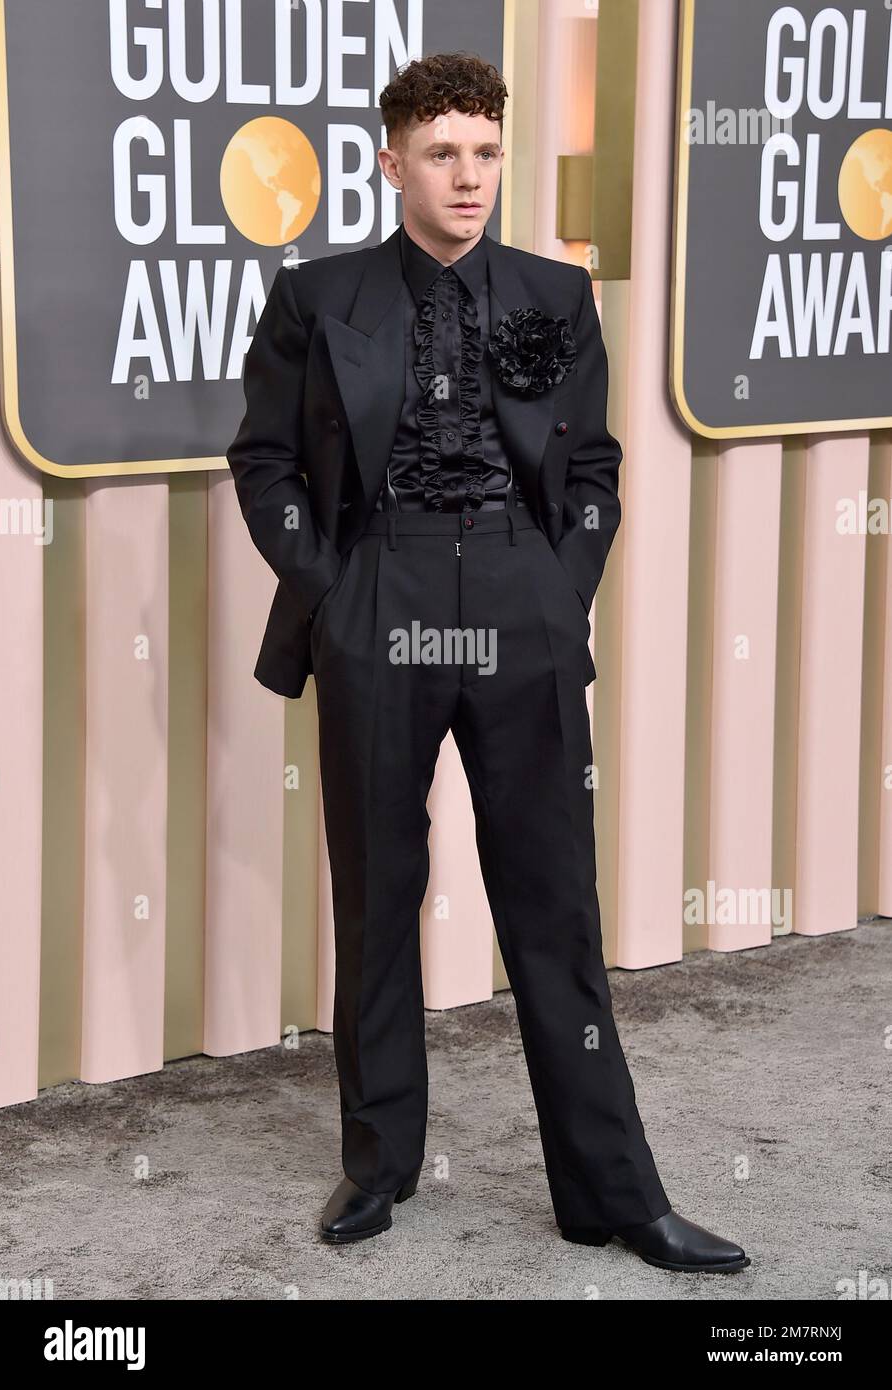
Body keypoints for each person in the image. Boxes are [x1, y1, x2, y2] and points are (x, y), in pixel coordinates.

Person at [227, 51, 749, 1274]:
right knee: (377, 895)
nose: (470, 176)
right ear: (391, 161)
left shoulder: (556, 293)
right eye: (444, 152)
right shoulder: (316, 297)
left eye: (486, 151)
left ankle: (613, 1192)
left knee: (555, 901)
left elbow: (593, 467)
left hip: (519, 589)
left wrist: (560, 593)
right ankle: (379, 1163)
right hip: (380, 591)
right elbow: (264, 460)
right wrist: (330, 591)